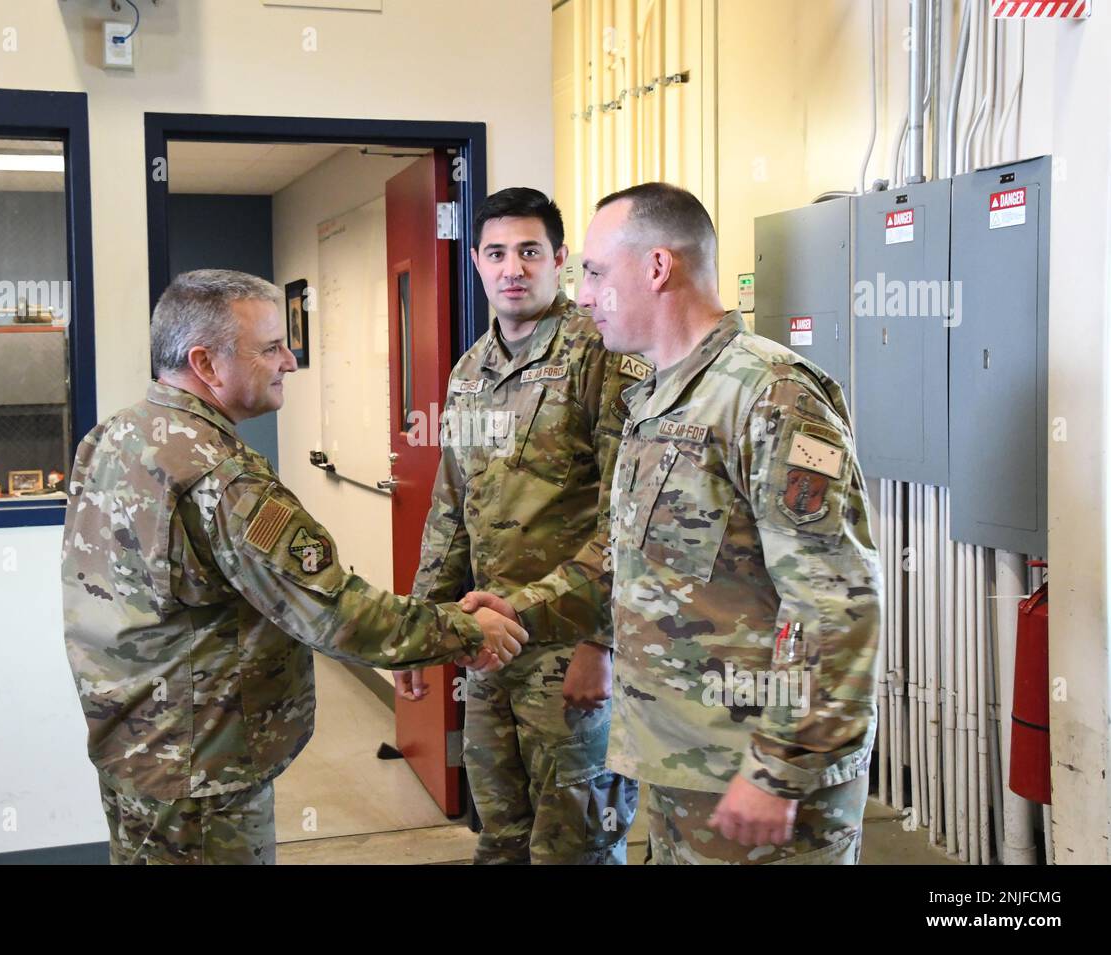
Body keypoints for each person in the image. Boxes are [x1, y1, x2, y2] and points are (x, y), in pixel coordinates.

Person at [472, 183, 882, 864]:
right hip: (681, 760)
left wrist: (779, 768)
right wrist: (519, 609)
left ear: (658, 268)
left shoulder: (770, 396)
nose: (584, 294)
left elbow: (837, 603)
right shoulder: (657, 399)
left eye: (596, 273)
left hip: (757, 776)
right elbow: (627, 559)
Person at [61, 269, 527, 865]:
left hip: (134, 741)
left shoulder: (115, 435)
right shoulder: (221, 478)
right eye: (271, 347)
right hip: (200, 767)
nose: (290, 361)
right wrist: (466, 630)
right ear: (206, 363)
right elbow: (335, 612)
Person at [402, 188, 640, 864]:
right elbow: (451, 510)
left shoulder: (602, 354)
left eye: (530, 251)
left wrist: (604, 643)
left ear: (560, 259)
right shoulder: (470, 372)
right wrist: (421, 630)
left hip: (571, 654)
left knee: (579, 845)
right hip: (488, 646)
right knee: (501, 838)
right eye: (498, 253)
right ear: (476, 261)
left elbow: (628, 517)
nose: (513, 268)